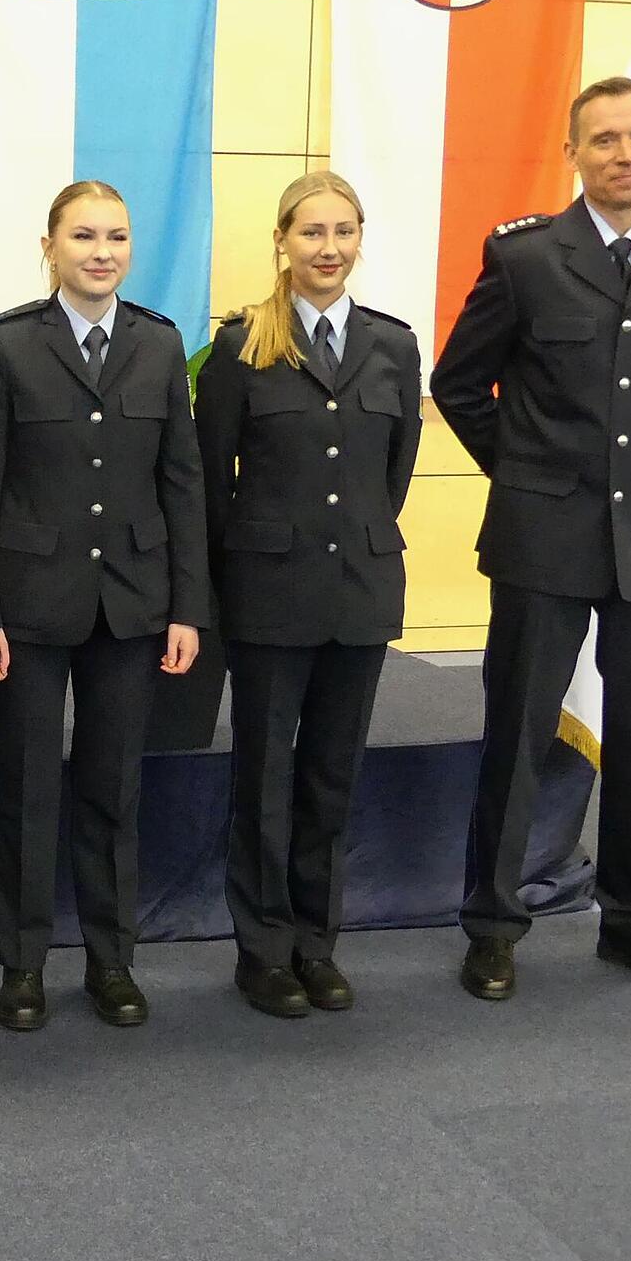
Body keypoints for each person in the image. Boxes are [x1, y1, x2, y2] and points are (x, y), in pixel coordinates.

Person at [431, 76, 631, 1002]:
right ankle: (493, 926)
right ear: (573, 155)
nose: (624, 154)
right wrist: (531, 473)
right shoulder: (526, 257)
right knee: (517, 735)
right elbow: (458, 383)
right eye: (604, 140)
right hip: (544, 537)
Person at [0, 181, 209, 1032]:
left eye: (116, 237)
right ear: (51, 247)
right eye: (84, 236)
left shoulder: (158, 344)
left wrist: (187, 607)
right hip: (29, 608)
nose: (102, 253)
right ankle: (23, 965)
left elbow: (182, 483)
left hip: (132, 607)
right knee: (28, 790)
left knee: (114, 790)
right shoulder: (10, 344)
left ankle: (111, 960)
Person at [194, 171, 421, 1018]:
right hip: (268, 594)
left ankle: (315, 946)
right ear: (283, 241)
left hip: (359, 590)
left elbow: (391, 476)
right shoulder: (241, 345)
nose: (329, 248)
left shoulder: (393, 345)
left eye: (343, 232)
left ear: (359, 239)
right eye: (312, 232)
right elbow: (211, 479)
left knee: (332, 776)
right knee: (263, 779)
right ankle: (262, 951)